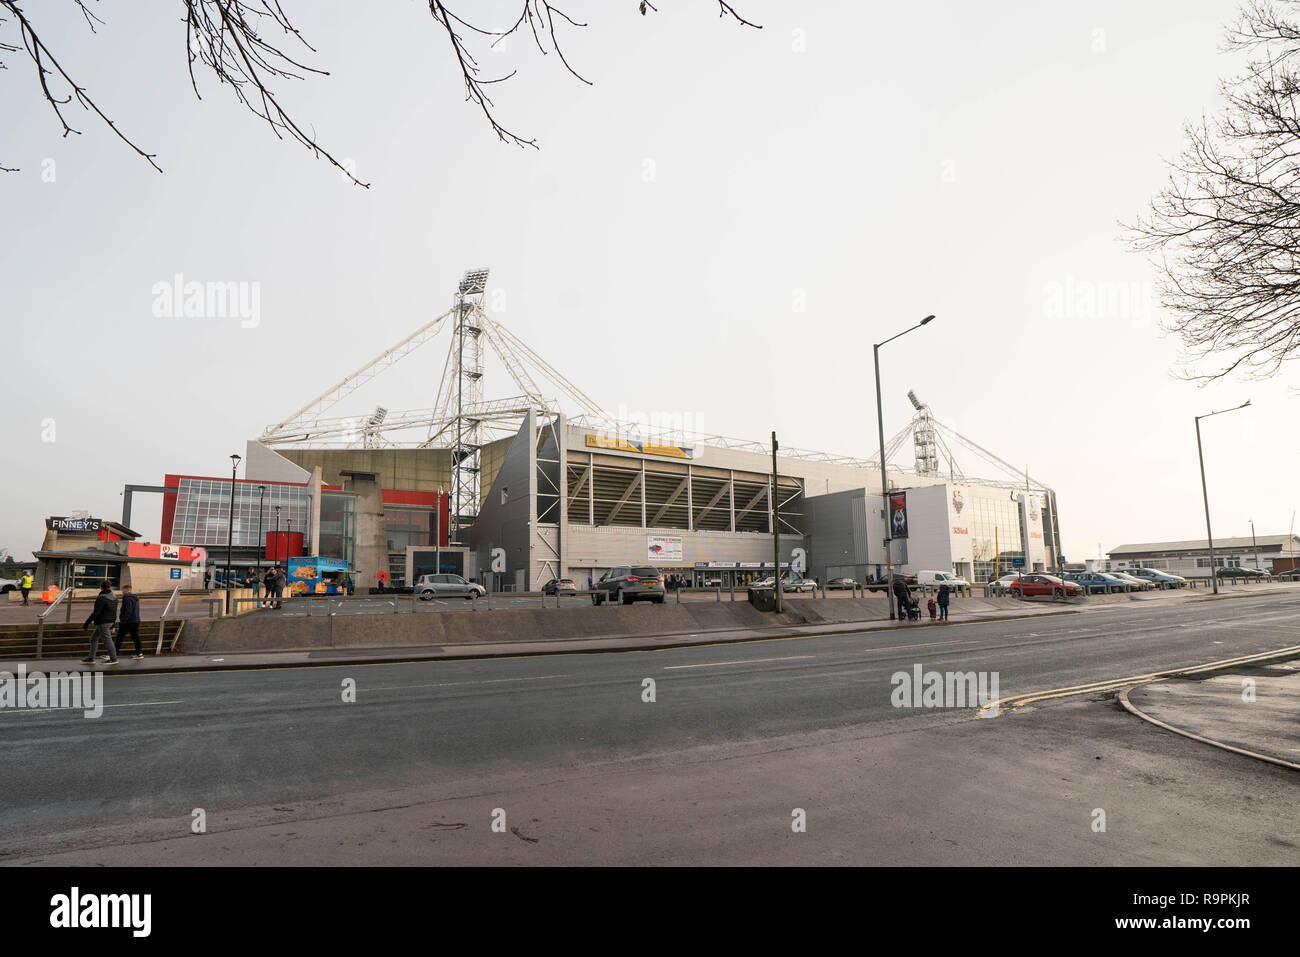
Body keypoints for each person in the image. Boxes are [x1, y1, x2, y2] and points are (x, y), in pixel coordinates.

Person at [82, 580, 119, 665]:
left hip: (103, 622)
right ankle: (91, 658)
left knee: (108, 640)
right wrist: (113, 622)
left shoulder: (101, 598)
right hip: (109, 621)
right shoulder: (114, 597)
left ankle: (113, 659)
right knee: (93, 638)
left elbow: (96, 612)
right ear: (110, 587)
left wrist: (87, 623)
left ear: (101, 587)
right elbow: (114, 611)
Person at [117, 584, 144, 659]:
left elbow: (128, 611)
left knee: (120, 637)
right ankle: (139, 654)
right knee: (135, 637)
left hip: (128, 622)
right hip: (136, 620)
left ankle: (112, 654)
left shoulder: (127, 598)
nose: (122, 592)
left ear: (126, 590)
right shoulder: (135, 598)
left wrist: (123, 621)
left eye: (122, 590)